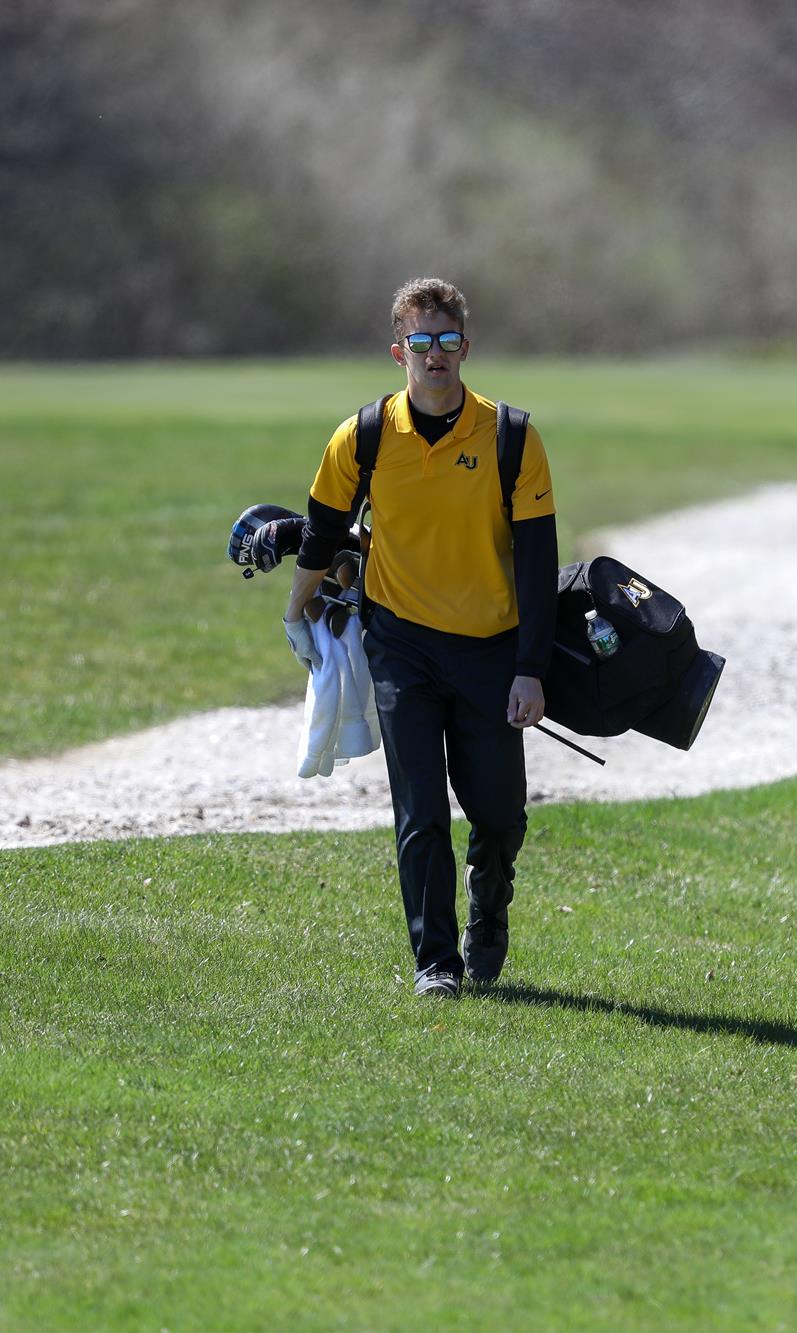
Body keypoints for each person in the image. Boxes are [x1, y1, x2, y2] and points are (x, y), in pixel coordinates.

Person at [282, 277, 557, 998]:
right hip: (400, 643)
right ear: (399, 351)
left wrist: (531, 668)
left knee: (499, 815)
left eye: (447, 342)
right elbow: (322, 528)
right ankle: (436, 961)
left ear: (464, 348)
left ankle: (488, 912)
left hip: (491, 647)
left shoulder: (512, 437)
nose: (434, 356)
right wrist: (297, 606)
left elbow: (537, 562)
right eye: (421, 343)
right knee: (421, 810)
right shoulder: (364, 436)